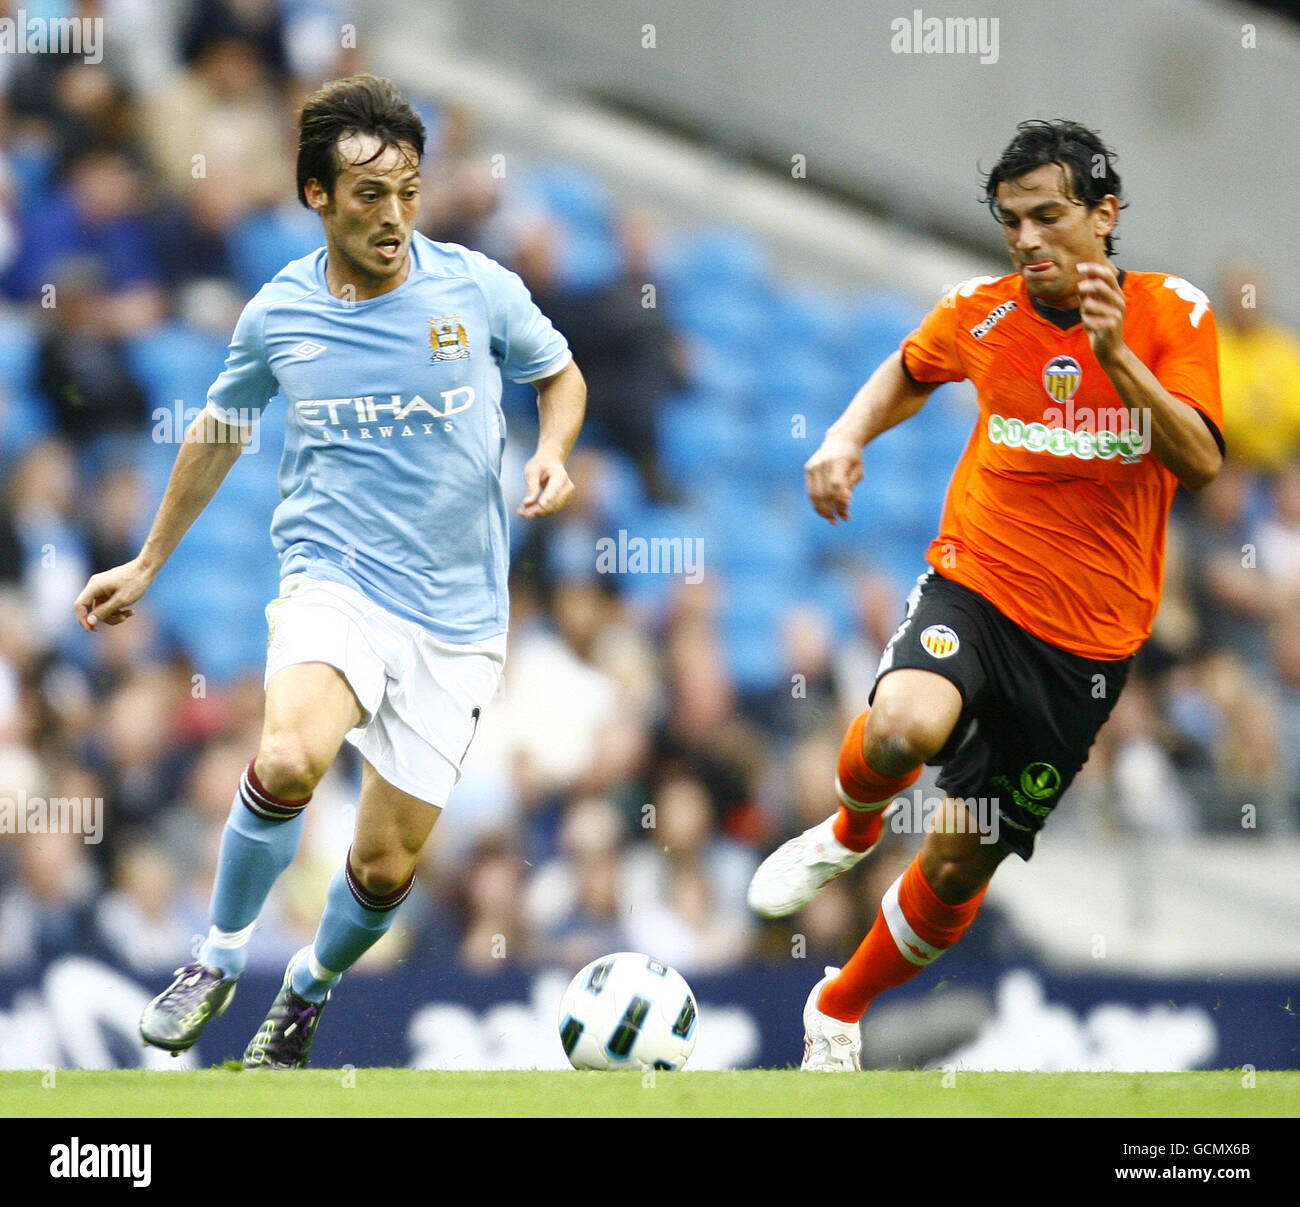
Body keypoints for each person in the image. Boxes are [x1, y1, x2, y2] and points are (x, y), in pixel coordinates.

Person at [73, 74, 586, 1069]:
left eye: (407, 190)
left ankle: (306, 990)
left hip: (460, 619)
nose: (393, 215)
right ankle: (217, 956)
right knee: (290, 755)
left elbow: (558, 374)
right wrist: (148, 560)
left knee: (386, 863)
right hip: (335, 578)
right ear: (317, 196)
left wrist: (554, 449)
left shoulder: (475, 289)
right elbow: (219, 428)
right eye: (367, 195)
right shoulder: (277, 315)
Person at [747, 120, 1223, 1070]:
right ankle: (847, 829)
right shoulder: (981, 311)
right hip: (980, 585)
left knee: (962, 860)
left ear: (1105, 215)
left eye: (1049, 216)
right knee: (900, 730)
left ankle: (837, 1008)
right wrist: (846, 436)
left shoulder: (1176, 313)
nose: (1029, 240)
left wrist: (1117, 355)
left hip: (1085, 651)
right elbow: (909, 370)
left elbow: (1202, 460)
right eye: (1012, 221)